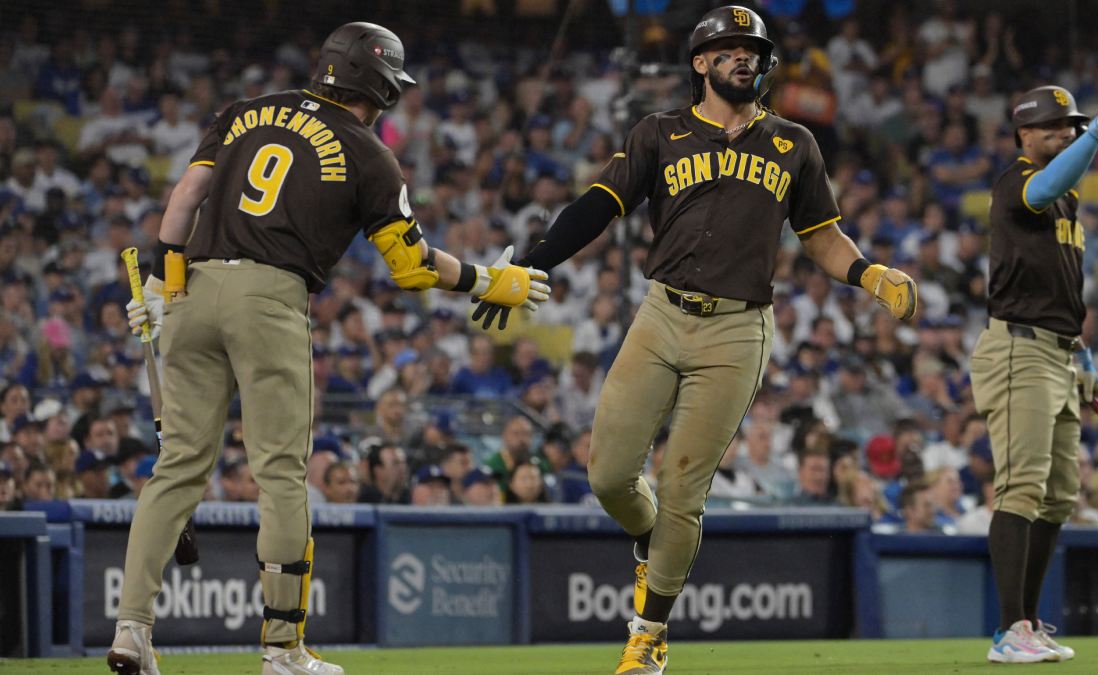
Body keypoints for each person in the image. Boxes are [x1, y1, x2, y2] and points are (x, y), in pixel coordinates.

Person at [471, 7, 917, 673]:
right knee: (609, 476)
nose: (743, 57)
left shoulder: (794, 142)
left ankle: (648, 636)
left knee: (684, 488)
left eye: (752, 49)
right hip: (662, 313)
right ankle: (653, 537)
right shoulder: (660, 132)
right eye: (729, 48)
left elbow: (821, 235)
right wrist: (533, 264)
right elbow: (598, 204)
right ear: (700, 62)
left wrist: (868, 272)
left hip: (738, 328)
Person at [110, 22, 550, 675]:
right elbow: (411, 268)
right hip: (269, 298)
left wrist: (157, 281)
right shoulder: (368, 152)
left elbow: (186, 199)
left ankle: (131, 630)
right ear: (382, 87)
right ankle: (282, 647)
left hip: (191, 291)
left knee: (175, 467)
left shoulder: (246, 111)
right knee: (280, 475)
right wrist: (488, 279)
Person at [969, 84, 1098, 665]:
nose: (1065, 134)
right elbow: (1041, 189)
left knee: (1059, 496)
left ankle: (1028, 622)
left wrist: (1082, 353)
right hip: (1018, 349)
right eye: (1052, 127)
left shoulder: (1067, 202)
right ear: (1024, 134)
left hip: (1060, 354)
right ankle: (1007, 631)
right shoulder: (1017, 182)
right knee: (1021, 487)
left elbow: (1060, 290)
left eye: (1071, 126)